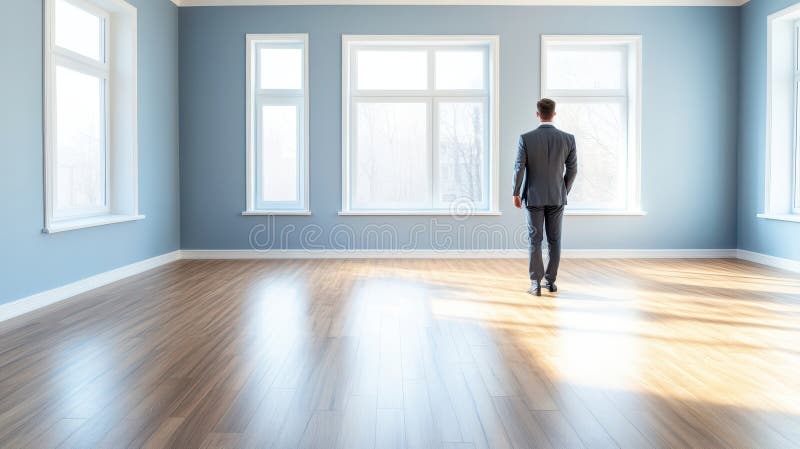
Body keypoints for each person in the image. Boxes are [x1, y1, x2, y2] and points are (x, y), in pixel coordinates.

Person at [512, 98, 577, 296]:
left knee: (535, 240)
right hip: (557, 197)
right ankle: (550, 281)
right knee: (554, 240)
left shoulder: (526, 138)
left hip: (533, 197)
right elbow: (573, 170)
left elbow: (519, 167)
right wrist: (563, 190)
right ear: (554, 114)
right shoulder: (568, 138)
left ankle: (535, 283)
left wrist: (515, 192)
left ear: (537, 114)